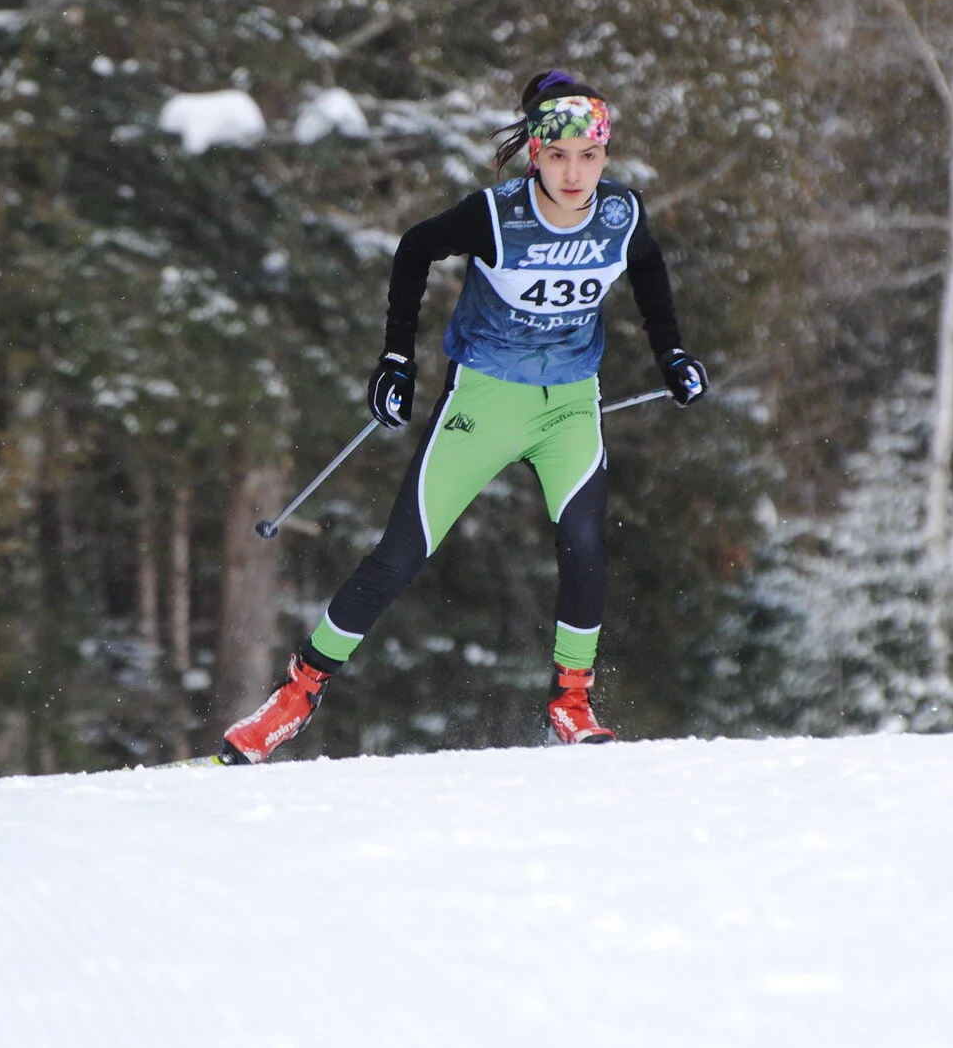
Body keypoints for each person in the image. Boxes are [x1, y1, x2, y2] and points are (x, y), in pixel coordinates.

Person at [219, 70, 708, 764]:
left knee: (585, 543)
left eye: (590, 157)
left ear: (605, 155)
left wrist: (674, 354)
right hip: (482, 401)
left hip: (569, 406)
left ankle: (569, 702)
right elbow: (415, 248)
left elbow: (650, 269)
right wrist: (396, 358)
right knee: (397, 557)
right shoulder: (496, 215)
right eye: (559, 156)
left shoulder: (620, 216)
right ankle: (295, 696)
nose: (575, 174)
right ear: (536, 153)